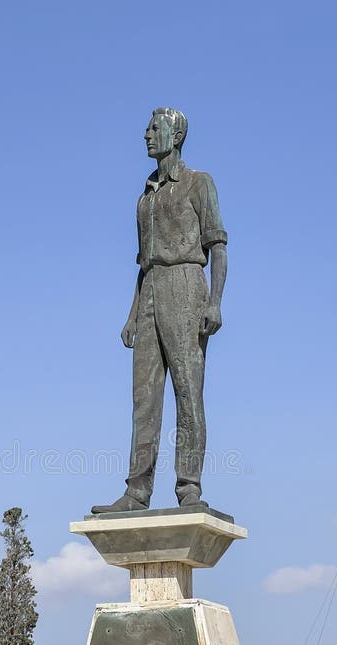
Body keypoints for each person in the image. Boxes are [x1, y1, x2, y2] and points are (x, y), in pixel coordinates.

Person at [92, 107, 228, 514]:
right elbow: (143, 262)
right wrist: (133, 313)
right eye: (148, 128)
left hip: (186, 285)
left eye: (156, 128)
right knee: (144, 398)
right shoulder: (144, 198)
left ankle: (189, 486)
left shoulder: (198, 183)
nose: (147, 134)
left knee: (188, 391)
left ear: (177, 133)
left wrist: (215, 302)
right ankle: (137, 490)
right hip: (150, 288)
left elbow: (218, 247)